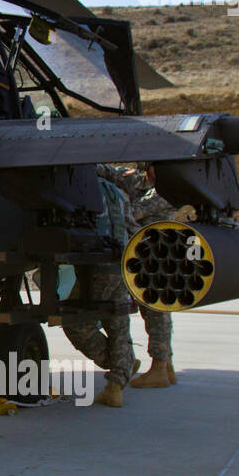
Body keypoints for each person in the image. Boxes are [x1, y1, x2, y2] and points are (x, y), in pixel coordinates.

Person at [99, 163, 178, 388]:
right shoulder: (136, 179)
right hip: (141, 252)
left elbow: (130, 211)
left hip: (157, 253)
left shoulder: (168, 191)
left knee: (156, 312)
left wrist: (115, 200)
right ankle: (166, 366)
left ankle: (160, 369)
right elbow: (111, 172)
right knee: (153, 311)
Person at [63, 172, 139, 407]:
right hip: (123, 265)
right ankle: (115, 386)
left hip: (100, 268)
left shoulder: (83, 192)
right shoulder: (118, 194)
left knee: (75, 323)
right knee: (118, 323)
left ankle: (122, 364)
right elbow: (132, 227)